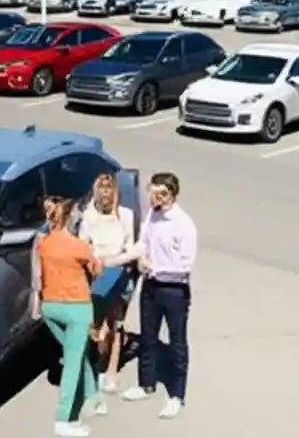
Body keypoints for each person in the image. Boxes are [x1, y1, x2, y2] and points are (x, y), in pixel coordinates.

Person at [121, 172, 196, 419]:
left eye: (161, 194)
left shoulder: (183, 224)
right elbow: (143, 243)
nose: (156, 199)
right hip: (151, 287)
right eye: (152, 193)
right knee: (148, 337)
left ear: (172, 195)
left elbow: (185, 266)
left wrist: (155, 269)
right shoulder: (152, 216)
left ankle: (177, 395)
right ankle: (146, 383)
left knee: (177, 342)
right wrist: (138, 258)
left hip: (174, 290)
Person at [37, 195, 105, 437]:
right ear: (71, 217)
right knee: (73, 361)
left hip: (50, 307)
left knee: (76, 351)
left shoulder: (44, 243)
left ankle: (92, 395)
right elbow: (96, 270)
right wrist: (95, 255)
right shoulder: (79, 246)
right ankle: (63, 418)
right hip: (77, 308)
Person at [78, 172, 136, 394]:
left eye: (108, 191)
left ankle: (110, 370)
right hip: (95, 273)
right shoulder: (89, 217)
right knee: (93, 324)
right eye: (101, 191)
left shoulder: (126, 216)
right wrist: (94, 263)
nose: (105, 196)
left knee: (114, 324)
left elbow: (130, 246)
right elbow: (83, 245)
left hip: (118, 272)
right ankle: (93, 364)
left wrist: (117, 261)